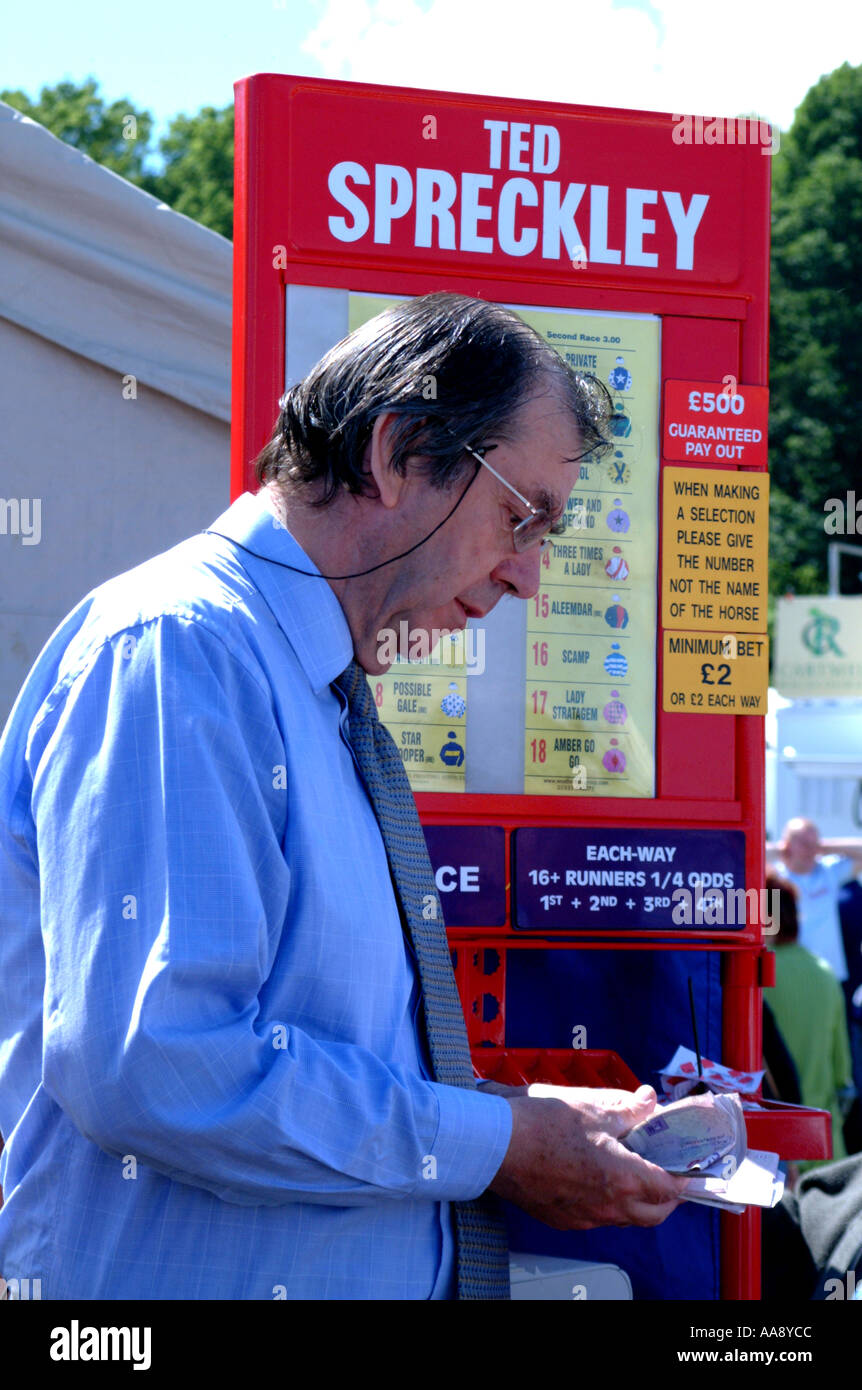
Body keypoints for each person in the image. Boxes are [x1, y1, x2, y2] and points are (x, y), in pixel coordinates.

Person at [0, 292, 687, 1301]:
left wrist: (517, 1121)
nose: (531, 577)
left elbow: (297, 1054)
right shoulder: (183, 650)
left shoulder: (294, 680)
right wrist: (496, 1141)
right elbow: (161, 1064)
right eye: (521, 515)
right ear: (399, 450)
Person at [765, 874, 855, 1172]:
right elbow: (842, 1070)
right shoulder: (825, 973)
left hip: (773, 1149)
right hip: (825, 1146)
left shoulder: (753, 977)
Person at [767, 818, 862, 984]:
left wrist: (826, 847)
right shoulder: (776, 877)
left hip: (830, 974)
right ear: (787, 844)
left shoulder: (829, 871)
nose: (810, 849)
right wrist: (781, 850)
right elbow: (746, 851)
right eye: (803, 843)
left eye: (814, 843)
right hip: (791, 973)